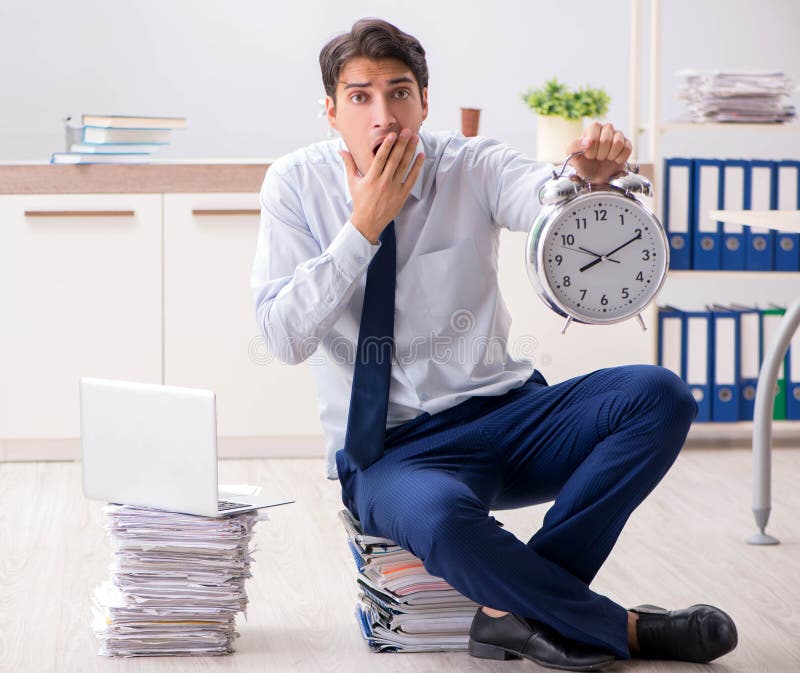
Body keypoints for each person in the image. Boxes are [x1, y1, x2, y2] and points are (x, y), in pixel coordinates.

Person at [251, 17, 738, 671]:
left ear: (425, 100)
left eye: (399, 92)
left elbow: (542, 195)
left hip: (509, 417)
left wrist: (586, 180)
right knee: (446, 525)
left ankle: (512, 613)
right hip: (390, 452)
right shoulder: (293, 185)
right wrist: (362, 227)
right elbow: (283, 336)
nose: (383, 115)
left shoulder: (470, 164)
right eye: (361, 96)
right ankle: (627, 629)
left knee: (659, 393)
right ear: (332, 110)